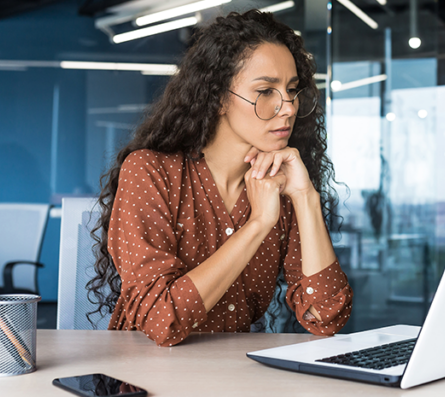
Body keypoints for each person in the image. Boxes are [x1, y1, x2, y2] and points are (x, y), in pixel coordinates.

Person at [88, 10, 353, 347]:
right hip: (147, 369)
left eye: (291, 90)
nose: (288, 107)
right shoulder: (150, 171)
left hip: (236, 369)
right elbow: (160, 320)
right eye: (265, 91)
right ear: (218, 98)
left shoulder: (282, 185)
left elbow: (326, 317)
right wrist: (258, 224)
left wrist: (305, 198)